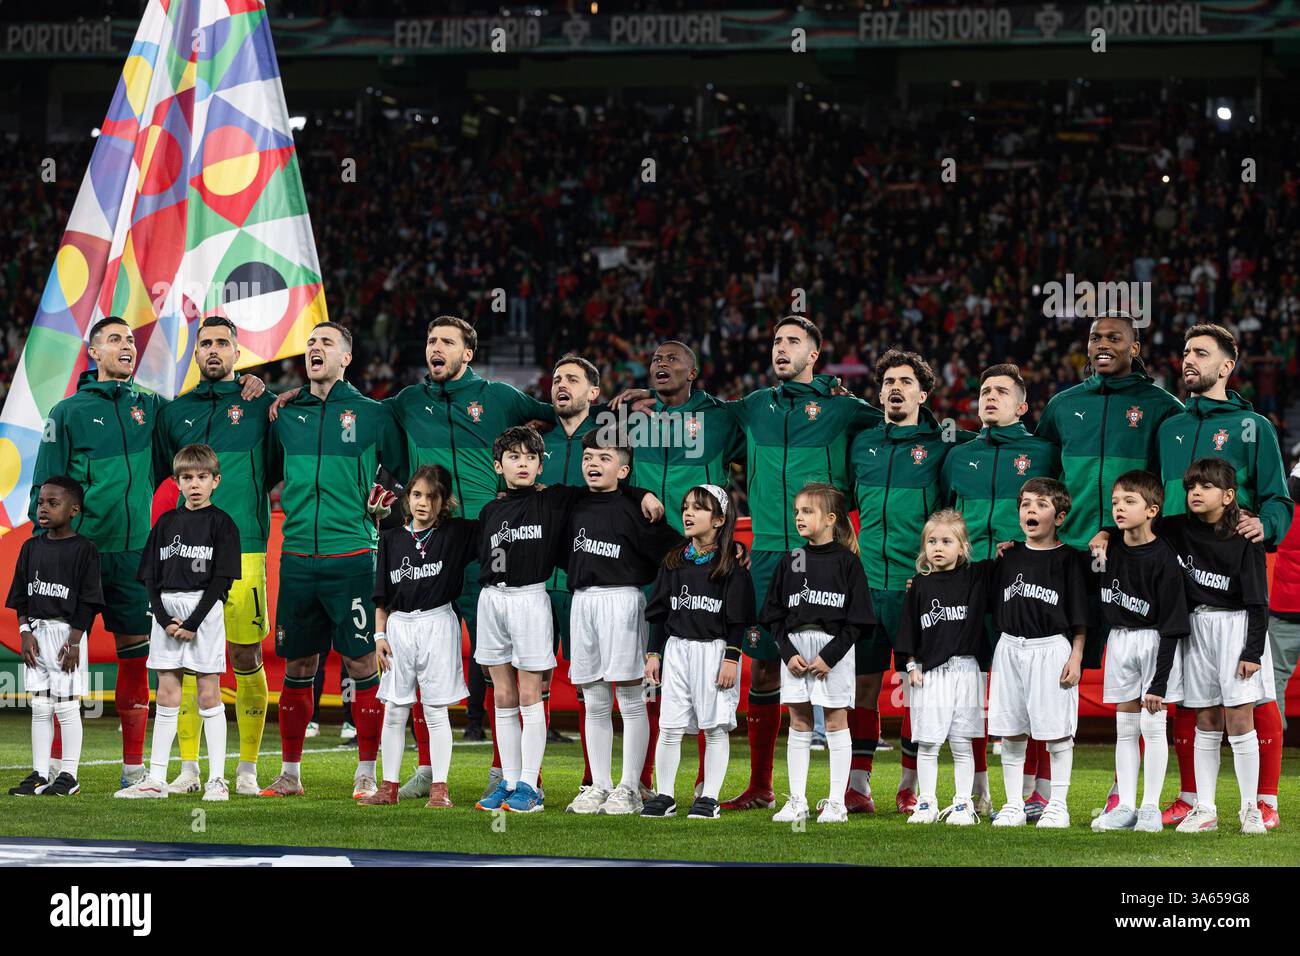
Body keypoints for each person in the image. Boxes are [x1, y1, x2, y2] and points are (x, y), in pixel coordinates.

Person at [28, 316, 263, 788]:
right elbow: (47, 488)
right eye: (114, 339)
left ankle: (135, 767)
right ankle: (54, 766)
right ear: (93, 353)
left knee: (138, 658)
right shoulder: (66, 412)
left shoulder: (155, 408)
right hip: (81, 552)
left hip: (135, 552)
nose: (127, 346)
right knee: (58, 658)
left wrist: (252, 384)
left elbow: (182, 460)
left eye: (131, 340)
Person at [384, 315, 558, 800]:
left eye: (446, 341)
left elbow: (561, 416)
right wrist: (287, 398)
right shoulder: (407, 402)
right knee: (421, 658)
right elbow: (347, 412)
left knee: (500, 667)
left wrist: (619, 403)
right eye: (430, 340)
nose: (434, 348)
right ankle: (426, 770)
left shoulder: (501, 398)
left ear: (467, 354)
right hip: (432, 547)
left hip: (493, 547)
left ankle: (514, 773)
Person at [1034, 312, 1181, 818]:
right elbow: (1042, 480)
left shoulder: (1163, 408)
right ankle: (1041, 789)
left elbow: (1167, 486)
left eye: (1114, 337)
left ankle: (1133, 791)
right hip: (1067, 557)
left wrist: (1121, 532)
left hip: (1129, 560)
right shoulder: (1062, 405)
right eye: (1095, 337)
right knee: (1052, 669)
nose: (1101, 344)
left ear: (1135, 347)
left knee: (1141, 681)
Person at [472, 426, 663, 814]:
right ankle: (516, 781)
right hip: (505, 602)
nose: (522, 464)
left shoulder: (558, 499)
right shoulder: (491, 510)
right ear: (498, 465)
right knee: (518, 696)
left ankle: (602, 786)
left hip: (545, 599)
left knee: (618, 697)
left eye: (530, 458)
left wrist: (643, 492)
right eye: (514, 457)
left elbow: (614, 492)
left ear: (542, 465)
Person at [1154, 324, 1294, 829]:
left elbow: (1278, 497)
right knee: (1192, 692)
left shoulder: (1253, 426)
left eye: (1200, 353)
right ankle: (1194, 798)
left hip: (1237, 577)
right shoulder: (1169, 426)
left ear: (1226, 366)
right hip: (1181, 577)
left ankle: (1266, 800)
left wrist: (1266, 522)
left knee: (1253, 693)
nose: (1188, 359)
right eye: (1186, 351)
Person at [260, 322, 407, 799]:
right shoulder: (285, 413)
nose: (314, 349)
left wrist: (392, 501)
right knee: (298, 665)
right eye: (310, 343)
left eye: (326, 343)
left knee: (362, 662)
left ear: (347, 357)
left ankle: (366, 771)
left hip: (354, 556)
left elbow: (408, 475)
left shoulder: (373, 414)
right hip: (298, 554)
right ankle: (290, 775)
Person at [1091, 459, 1272, 835]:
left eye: (1205, 487)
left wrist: (1252, 651)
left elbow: (1258, 600)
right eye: (1191, 487)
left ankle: (1250, 808)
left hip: (1235, 626)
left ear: (1228, 495)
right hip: (1195, 628)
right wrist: (1106, 532)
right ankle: (1205, 808)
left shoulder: (1245, 533)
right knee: (1206, 718)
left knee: (1239, 719)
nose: (1195, 493)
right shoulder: (1177, 527)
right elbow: (1136, 522)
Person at [154, 316, 277, 797]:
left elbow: (275, 468)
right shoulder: (173, 413)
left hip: (244, 547)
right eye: (205, 343)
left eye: (223, 343)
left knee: (245, 655)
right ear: (195, 353)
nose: (213, 350)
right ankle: (188, 768)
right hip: (184, 553)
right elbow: (166, 478)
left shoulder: (262, 403)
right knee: (183, 658)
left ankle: (245, 769)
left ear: (237, 353)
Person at [849, 349, 976, 815]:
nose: (895, 388)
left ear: (924, 394)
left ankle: (909, 785)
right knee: (861, 688)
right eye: (888, 382)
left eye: (906, 382)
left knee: (913, 686)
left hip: (915, 589)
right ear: (879, 392)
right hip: (865, 588)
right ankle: (857, 785)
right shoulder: (862, 444)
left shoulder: (946, 444)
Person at [941, 363, 1061, 815]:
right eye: (985, 390)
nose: (990, 397)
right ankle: (976, 792)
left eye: (1001, 392)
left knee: (1031, 689)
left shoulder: (1045, 453)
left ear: (1022, 405)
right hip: (968, 584)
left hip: (1024, 581)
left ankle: (1037, 791)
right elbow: (945, 520)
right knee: (969, 689)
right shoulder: (957, 456)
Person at [562, 431, 678, 816]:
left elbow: (678, 551)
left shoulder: (639, 509)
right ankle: (599, 785)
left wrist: (638, 493)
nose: (593, 464)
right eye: (589, 457)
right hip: (582, 602)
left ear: (624, 469)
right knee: (594, 700)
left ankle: (630, 786)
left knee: (631, 701)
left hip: (624, 601)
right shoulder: (572, 504)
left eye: (605, 458)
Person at [116, 444, 241, 801]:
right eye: (187, 478)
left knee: (207, 692)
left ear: (216, 481)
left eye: (203, 477)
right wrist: (163, 617)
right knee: (167, 692)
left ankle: (217, 779)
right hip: (167, 612)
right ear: (177, 481)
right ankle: (155, 778)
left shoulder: (222, 523)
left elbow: (221, 580)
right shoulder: (166, 523)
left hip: (204, 610)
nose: (195, 484)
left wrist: (193, 622)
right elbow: (150, 577)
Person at [362, 465, 479, 807]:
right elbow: (381, 595)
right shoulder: (391, 538)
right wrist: (378, 635)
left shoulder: (457, 533)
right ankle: (388, 788)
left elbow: (496, 524)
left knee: (435, 710)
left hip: (439, 623)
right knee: (396, 710)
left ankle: (440, 788)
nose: (422, 503)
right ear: (407, 496)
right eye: (416, 494)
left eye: (431, 496)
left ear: (444, 502)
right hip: (398, 626)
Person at [762, 483, 874, 824]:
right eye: (796, 511)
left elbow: (859, 620)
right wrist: (786, 652)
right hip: (796, 651)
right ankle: (797, 800)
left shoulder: (847, 562)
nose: (799, 517)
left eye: (807, 511)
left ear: (830, 518)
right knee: (799, 722)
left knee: (837, 721)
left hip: (833, 650)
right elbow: (772, 615)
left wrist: (831, 656)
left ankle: (837, 803)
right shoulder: (792, 559)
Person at [642, 484, 755, 820]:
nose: (688, 513)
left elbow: (740, 620)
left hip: (715, 652)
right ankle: (665, 795)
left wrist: (732, 658)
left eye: (699, 508)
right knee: (669, 726)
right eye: (686, 506)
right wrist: (653, 653)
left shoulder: (731, 567)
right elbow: (659, 612)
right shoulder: (674, 561)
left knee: (715, 726)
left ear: (719, 519)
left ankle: (709, 797)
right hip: (677, 650)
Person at [1087, 471, 1189, 833]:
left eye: (1129, 501)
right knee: (1125, 727)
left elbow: (1174, 624)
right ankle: (1125, 805)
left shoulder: (1164, 557)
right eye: (1115, 502)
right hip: (1120, 640)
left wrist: (1159, 682)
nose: (1119, 508)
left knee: (1153, 724)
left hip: (1154, 641)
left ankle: (1149, 807)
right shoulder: (1107, 548)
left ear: (1152, 510)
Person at [987, 478, 1089, 829]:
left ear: (1059, 516)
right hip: (1010, 646)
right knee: (1012, 730)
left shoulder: (1070, 559)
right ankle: (1014, 804)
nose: (1031, 510)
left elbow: (1079, 616)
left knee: (1057, 730)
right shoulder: (1008, 555)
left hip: (1051, 648)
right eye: (1025, 503)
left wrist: (1076, 656)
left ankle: (1058, 804)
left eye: (1041, 505)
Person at [6, 477, 103, 797]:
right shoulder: (31, 546)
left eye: (53, 503)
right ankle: (39, 772)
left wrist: (75, 641)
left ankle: (69, 774)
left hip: (66, 636)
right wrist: (24, 633)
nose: (43, 509)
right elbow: (19, 596)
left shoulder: (84, 549)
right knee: (40, 706)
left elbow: (89, 601)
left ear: (74, 509)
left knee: (65, 705)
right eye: (40, 503)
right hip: (36, 634)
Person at [895, 510, 986, 826]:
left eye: (947, 541)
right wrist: (909, 663)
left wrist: (1006, 549)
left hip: (966, 669)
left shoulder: (976, 578)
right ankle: (927, 802)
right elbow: (907, 627)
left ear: (962, 547)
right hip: (929, 672)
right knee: (929, 742)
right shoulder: (919, 585)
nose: (938, 547)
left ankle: (963, 804)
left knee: (962, 742)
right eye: (932, 541)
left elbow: (1006, 566)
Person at [543, 355, 604, 790]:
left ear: (593, 393)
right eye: (556, 378)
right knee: (530, 678)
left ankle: (592, 778)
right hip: (538, 583)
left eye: (572, 379)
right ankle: (526, 777)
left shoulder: (609, 443)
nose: (561, 385)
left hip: (588, 582)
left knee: (591, 683)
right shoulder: (535, 444)